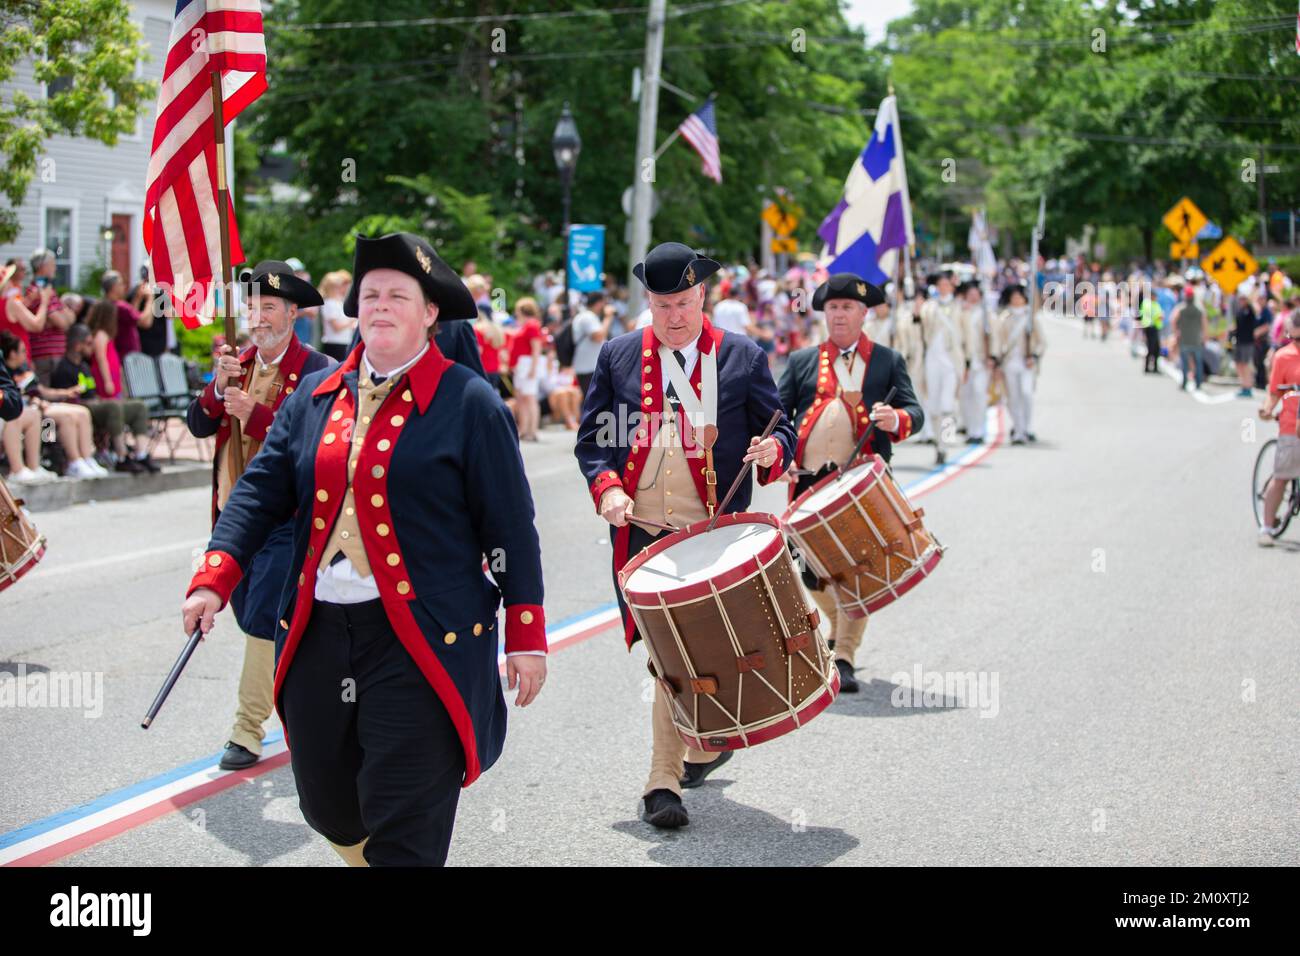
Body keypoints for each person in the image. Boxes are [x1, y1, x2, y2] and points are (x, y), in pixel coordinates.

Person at [181, 233, 547, 867]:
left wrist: (526, 634)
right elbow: (260, 492)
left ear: (430, 312)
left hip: (422, 639)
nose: (380, 305)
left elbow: (511, 529)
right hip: (320, 631)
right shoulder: (316, 397)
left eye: (397, 295)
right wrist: (216, 574)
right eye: (370, 294)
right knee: (328, 804)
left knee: (405, 810)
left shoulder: (471, 403)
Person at [574, 241, 796, 831]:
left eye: (684, 302)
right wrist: (609, 491)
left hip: (711, 533)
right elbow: (593, 442)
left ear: (704, 297)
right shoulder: (618, 355)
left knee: (700, 652)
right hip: (643, 532)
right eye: (661, 303)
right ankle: (662, 783)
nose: (673, 315)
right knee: (664, 655)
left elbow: (781, 429)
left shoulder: (742, 357)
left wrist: (773, 450)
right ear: (648, 301)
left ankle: (694, 750)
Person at [188, 261, 336, 771]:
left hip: (286, 518)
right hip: (235, 514)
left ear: (293, 313)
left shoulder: (318, 369)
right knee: (257, 616)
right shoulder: (237, 361)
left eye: (269, 307)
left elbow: (313, 443)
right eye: (252, 306)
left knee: (261, 621)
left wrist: (257, 414)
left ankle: (245, 731)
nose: (258, 316)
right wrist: (216, 389)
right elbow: (200, 423)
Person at [777, 274, 923, 694]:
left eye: (848, 308)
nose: (839, 316)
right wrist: (782, 456)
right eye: (833, 309)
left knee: (856, 570)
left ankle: (844, 655)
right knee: (806, 570)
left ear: (864, 314)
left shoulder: (886, 361)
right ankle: (838, 626)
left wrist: (895, 419)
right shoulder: (804, 360)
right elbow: (778, 415)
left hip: (861, 486)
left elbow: (914, 410)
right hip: (808, 483)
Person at [1, 332, 106, 478]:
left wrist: (66, 392)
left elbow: (42, 391)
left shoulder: (24, 369)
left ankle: (87, 459)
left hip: (41, 405)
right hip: (30, 408)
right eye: (23, 351)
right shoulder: (6, 373)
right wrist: (35, 401)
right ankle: (73, 462)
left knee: (82, 412)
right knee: (65, 418)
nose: (26, 354)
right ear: (12, 354)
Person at [84, 299, 159, 473]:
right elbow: (101, 358)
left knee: (138, 407)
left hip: (114, 384)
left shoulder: (108, 336)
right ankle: (121, 455)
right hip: (105, 384)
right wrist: (108, 380)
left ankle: (141, 454)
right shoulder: (100, 335)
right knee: (114, 409)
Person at [1257, 310, 1300, 546]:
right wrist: (1267, 408)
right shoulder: (1284, 357)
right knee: (1282, 475)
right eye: (1293, 338)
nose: (1296, 343)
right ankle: (1266, 525)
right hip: (1292, 424)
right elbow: (1275, 392)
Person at [919, 272, 970, 464]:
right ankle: (938, 443)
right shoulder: (929, 307)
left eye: (946, 284)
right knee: (933, 405)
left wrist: (968, 361)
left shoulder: (959, 308)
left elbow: (967, 335)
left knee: (947, 405)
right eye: (940, 284)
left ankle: (946, 443)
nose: (943, 287)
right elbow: (920, 323)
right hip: (932, 358)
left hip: (952, 360)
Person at [992, 285, 1045, 445]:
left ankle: (1027, 427)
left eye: (1019, 297)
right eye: (1014, 297)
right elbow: (998, 342)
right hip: (1009, 363)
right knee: (1013, 397)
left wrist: (1034, 356)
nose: (1017, 300)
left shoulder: (1031, 318)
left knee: (1026, 393)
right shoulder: (1004, 318)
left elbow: (1042, 342)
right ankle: (1018, 429)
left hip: (1026, 363)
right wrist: (997, 361)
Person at [24, 249, 76, 384]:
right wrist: (61, 317)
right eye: (52, 264)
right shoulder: (36, 291)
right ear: (42, 267)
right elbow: (62, 322)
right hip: (45, 357)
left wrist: (61, 317)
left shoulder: (49, 290)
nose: (55, 267)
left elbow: (70, 318)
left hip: (55, 355)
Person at [957, 279, 991, 445]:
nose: (973, 297)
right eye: (970, 294)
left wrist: (993, 356)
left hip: (981, 361)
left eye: (976, 294)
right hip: (965, 362)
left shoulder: (987, 314)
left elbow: (994, 337)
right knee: (965, 396)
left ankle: (979, 430)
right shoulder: (961, 313)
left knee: (979, 395)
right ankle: (970, 429)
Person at [509, 297, 545, 441]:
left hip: (527, 363)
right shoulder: (525, 325)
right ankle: (524, 429)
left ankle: (532, 430)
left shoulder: (531, 325)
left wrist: (533, 368)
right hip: (522, 364)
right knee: (522, 398)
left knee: (529, 397)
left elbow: (536, 348)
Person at [2, 259, 50, 358]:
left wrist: (30, 299)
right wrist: (45, 301)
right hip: (18, 359)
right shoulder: (11, 302)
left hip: (8, 359)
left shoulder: (8, 301)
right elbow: (37, 325)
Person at [571, 291, 613, 397]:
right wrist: (608, 317)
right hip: (588, 368)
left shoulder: (586, 316)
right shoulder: (588, 317)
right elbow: (598, 337)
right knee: (593, 400)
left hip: (589, 367)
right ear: (599, 303)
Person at [101, 270, 150, 360]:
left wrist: (138, 298)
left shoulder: (106, 304)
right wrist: (150, 299)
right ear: (113, 287)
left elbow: (132, 316)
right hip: (128, 357)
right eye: (121, 284)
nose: (124, 287)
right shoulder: (120, 306)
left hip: (117, 354)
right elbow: (144, 322)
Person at [1170, 286, 1208, 391]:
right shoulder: (1199, 309)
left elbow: (1173, 321)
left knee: (1185, 362)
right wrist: (1205, 337)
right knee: (1198, 362)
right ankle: (1198, 382)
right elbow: (1205, 324)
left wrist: (1176, 333)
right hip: (1196, 339)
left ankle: (1185, 382)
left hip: (1185, 339)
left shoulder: (1181, 308)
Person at [317, 269, 355, 362]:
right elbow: (336, 327)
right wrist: (352, 320)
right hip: (334, 343)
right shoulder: (329, 303)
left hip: (344, 342)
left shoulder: (339, 302)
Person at [1137, 289, 1163, 375]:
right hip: (1150, 327)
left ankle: (1154, 367)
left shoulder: (1155, 304)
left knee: (1156, 348)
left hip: (1155, 327)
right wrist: (1159, 317)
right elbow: (1150, 315)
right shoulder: (1147, 304)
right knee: (1151, 348)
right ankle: (1147, 367)